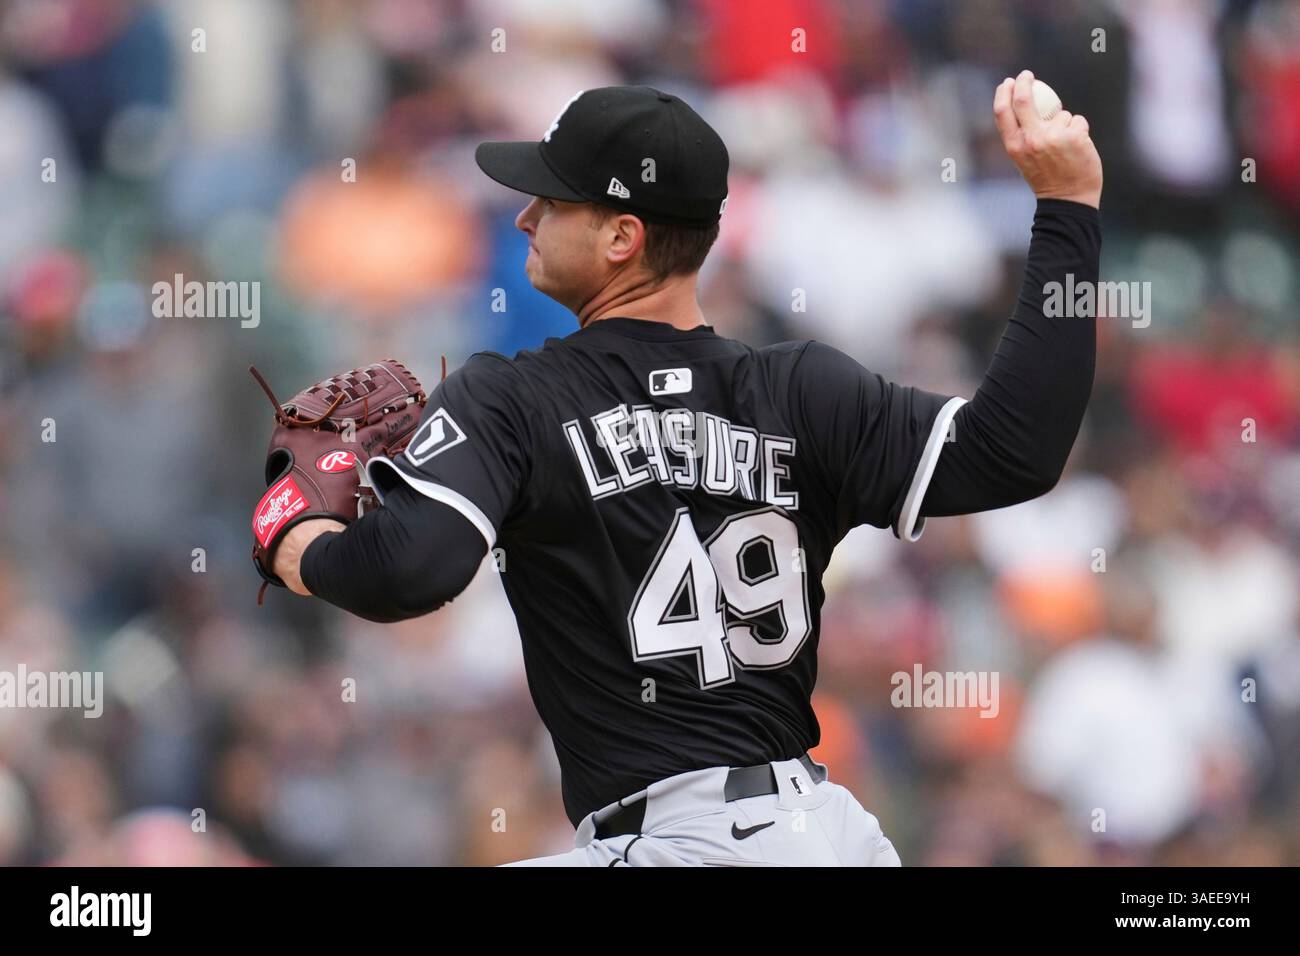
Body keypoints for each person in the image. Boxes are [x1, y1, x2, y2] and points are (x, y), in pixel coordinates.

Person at [268, 74, 1103, 866]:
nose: (524, 218)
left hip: (676, 840)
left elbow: (410, 571)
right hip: (825, 835)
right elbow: (1014, 450)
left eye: (552, 201)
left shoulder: (514, 399)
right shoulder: (803, 390)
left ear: (622, 236)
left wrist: (293, 541)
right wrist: (1068, 210)